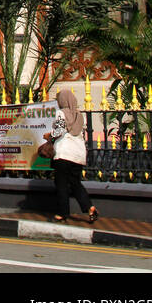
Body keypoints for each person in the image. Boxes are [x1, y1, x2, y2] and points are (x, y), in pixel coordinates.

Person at [45, 88, 98, 224]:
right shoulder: (80, 115)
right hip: (78, 154)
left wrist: (49, 135)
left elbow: (60, 130)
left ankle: (63, 213)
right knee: (75, 183)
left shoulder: (61, 113)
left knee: (61, 183)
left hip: (64, 153)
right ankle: (89, 207)